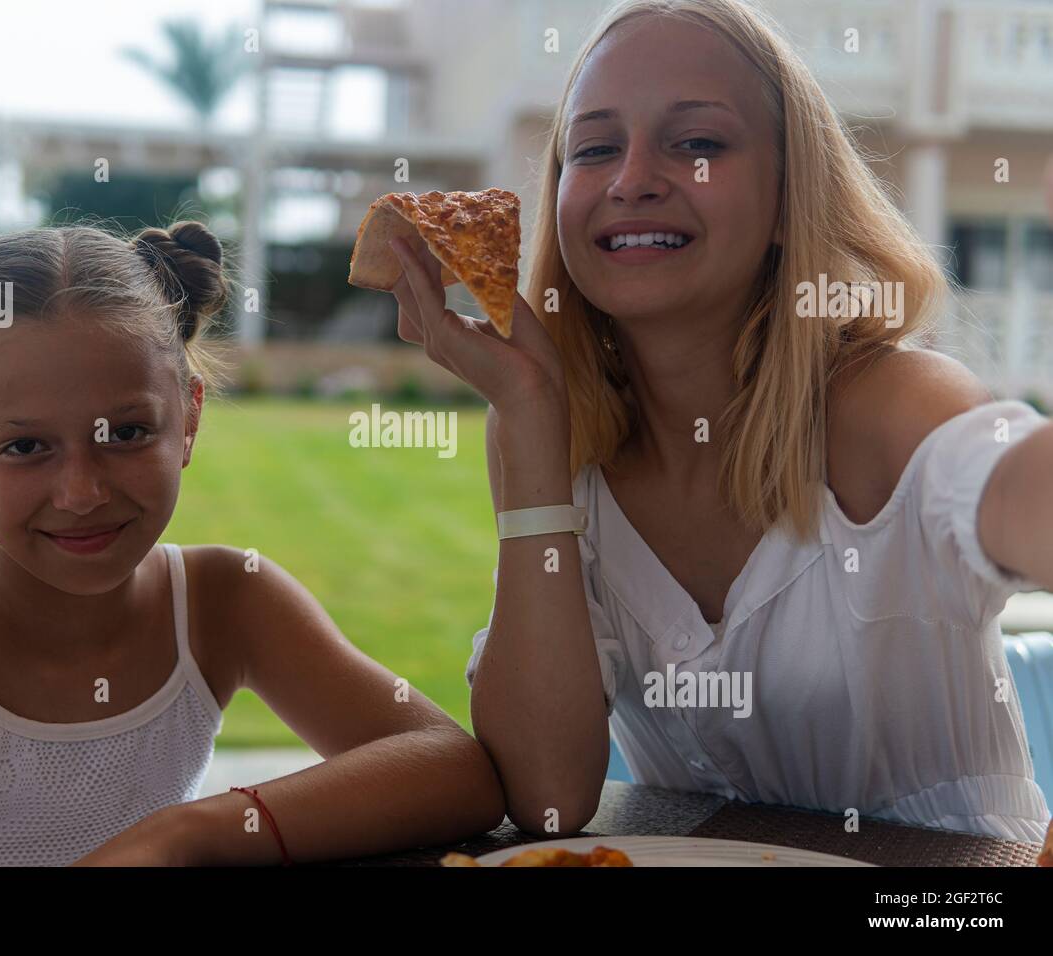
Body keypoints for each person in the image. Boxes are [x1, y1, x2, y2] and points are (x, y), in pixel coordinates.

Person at [389, 0, 1053, 851]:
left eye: (697, 143)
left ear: (788, 201)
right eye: (593, 148)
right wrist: (524, 418)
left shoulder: (893, 404)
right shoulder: (558, 441)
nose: (632, 177)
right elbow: (548, 794)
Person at [0, 198, 505, 866]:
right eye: (25, 447)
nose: (82, 491)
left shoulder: (222, 602)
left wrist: (186, 833)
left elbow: (455, 769)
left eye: (127, 432)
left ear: (190, 419)